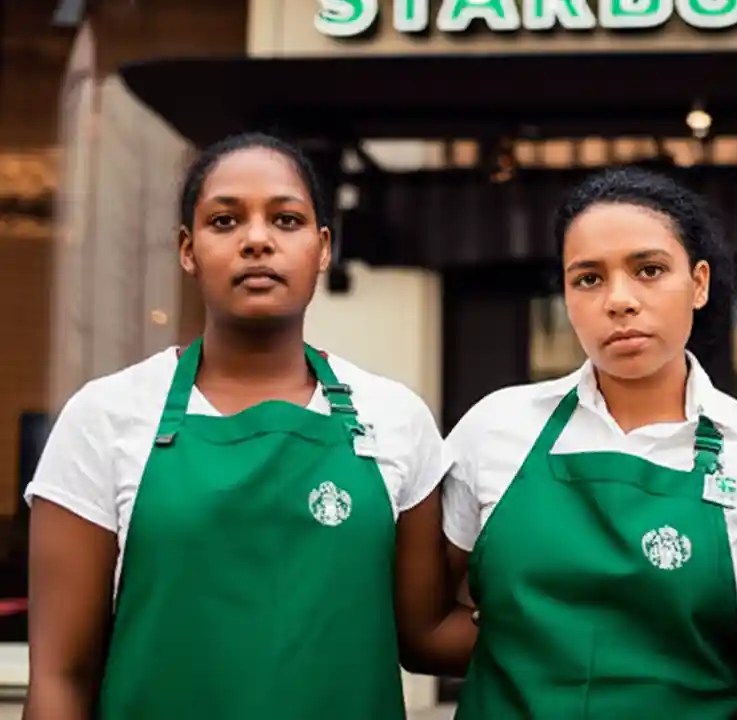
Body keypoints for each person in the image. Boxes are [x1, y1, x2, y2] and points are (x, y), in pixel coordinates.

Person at [24, 132, 452, 720]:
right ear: (187, 249)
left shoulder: (395, 417)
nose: (257, 240)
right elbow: (59, 677)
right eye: (225, 221)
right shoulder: (106, 416)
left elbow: (426, 635)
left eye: (286, 219)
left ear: (323, 248)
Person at [434, 167, 737, 717]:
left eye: (649, 270)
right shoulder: (495, 428)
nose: (619, 301)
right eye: (588, 279)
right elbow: (426, 625)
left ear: (699, 283)